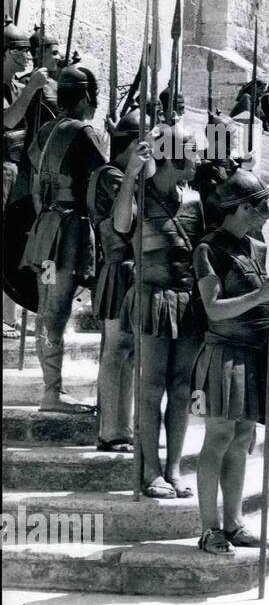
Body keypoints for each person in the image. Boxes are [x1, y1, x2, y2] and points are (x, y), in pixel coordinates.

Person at [191, 169, 269, 554]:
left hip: (251, 354)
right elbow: (213, 309)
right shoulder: (209, 250)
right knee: (218, 438)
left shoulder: (255, 248)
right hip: (223, 353)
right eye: (260, 208)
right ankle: (209, 528)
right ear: (241, 207)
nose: (266, 216)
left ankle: (234, 522)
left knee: (243, 438)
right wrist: (260, 296)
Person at [115, 124, 205, 498]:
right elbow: (122, 225)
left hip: (185, 303)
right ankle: (150, 470)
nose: (198, 158)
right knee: (150, 390)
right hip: (152, 300)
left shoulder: (196, 201)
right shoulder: (140, 193)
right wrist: (131, 174)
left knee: (181, 390)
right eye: (193, 151)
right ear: (175, 157)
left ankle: (173, 468)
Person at [21, 65, 109, 412]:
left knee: (47, 312)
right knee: (54, 313)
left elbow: (34, 167)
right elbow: (106, 181)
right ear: (88, 95)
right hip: (68, 232)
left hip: (45, 229)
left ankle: (51, 388)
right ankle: (52, 392)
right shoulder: (85, 133)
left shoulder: (46, 129)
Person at [88, 107, 140, 451]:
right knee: (117, 351)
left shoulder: (117, 174)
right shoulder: (112, 176)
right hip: (119, 268)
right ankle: (111, 430)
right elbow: (131, 220)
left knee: (128, 352)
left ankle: (122, 427)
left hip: (127, 268)